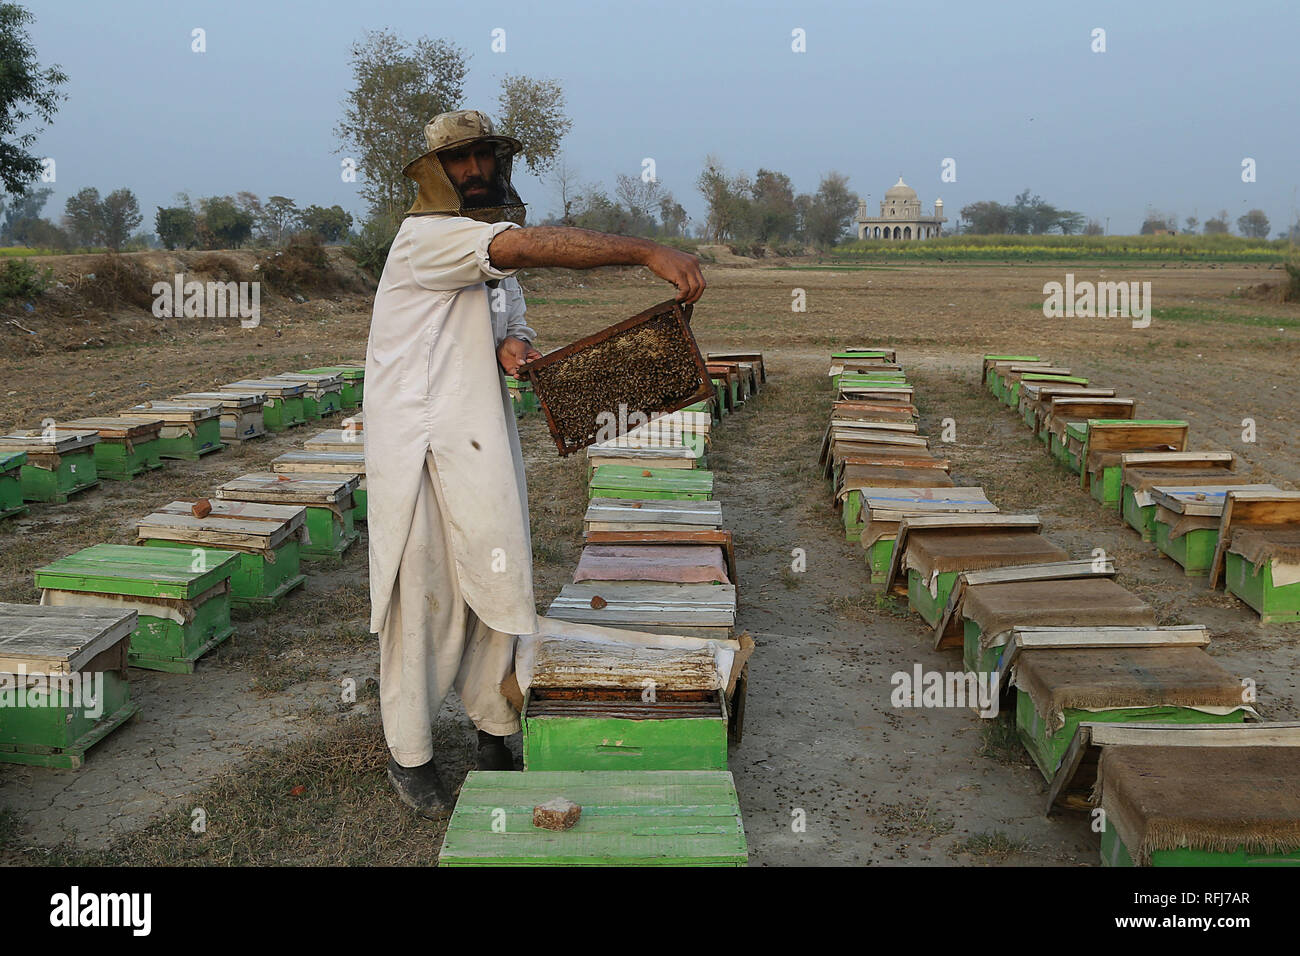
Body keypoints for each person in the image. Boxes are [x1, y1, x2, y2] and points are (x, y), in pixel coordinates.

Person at [364, 109, 706, 815]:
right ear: (434, 174)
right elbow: (526, 251)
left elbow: (506, 317)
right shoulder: (426, 240)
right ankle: (411, 753)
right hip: (422, 448)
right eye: (461, 161)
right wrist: (644, 251)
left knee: (500, 583)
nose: (477, 171)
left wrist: (510, 348)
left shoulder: (483, 251)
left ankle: (494, 727)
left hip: (482, 440)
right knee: (424, 593)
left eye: (485, 156)